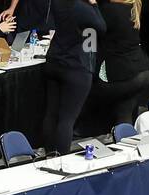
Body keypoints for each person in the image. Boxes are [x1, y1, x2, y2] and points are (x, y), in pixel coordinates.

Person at [42, 0, 107, 157]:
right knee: (67, 119)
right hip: (75, 66)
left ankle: (49, 156)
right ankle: (62, 160)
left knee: (51, 113)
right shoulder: (82, 7)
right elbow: (101, 27)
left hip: (54, 60)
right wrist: (94, 5)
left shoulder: (59, 3)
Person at [93, 0, 149, 129]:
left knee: (88, 88)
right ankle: (124, 139)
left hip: (125, 73)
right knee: (124, 111)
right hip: (143, 71)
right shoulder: (131, 5)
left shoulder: (108, 9)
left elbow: (92, 37)